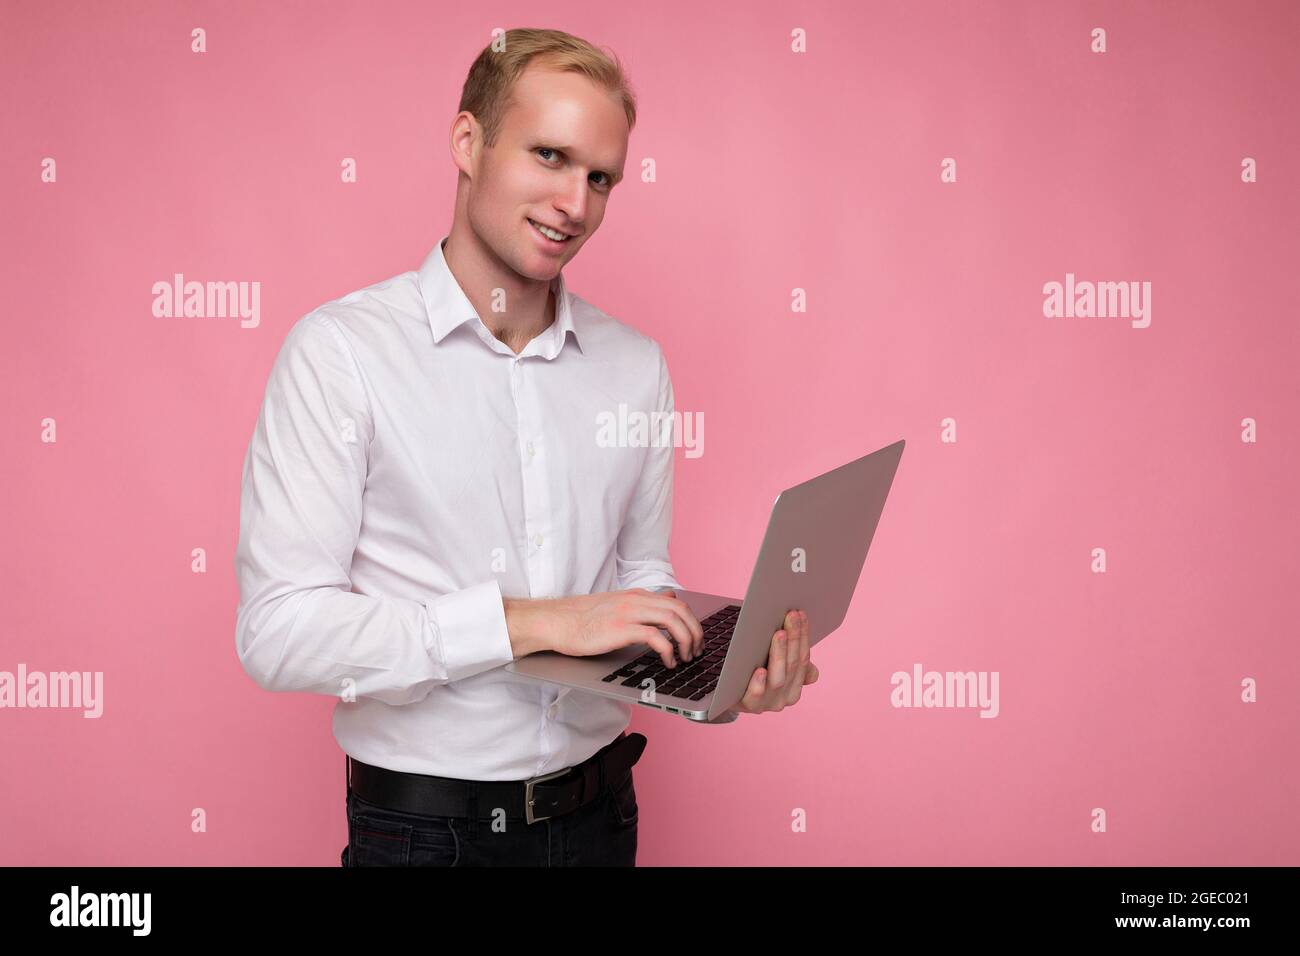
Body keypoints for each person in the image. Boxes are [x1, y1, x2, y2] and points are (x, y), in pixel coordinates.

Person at [234, 27, 819, 867]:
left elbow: (639, 578)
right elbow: (278, 632)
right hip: (425, 835)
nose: (575, 205)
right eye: (549, 156)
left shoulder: (635, 366)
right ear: (468, 142)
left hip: (601, 816)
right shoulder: (342, 355)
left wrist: (716, 680)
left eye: (600, 178)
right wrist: (530, 623)